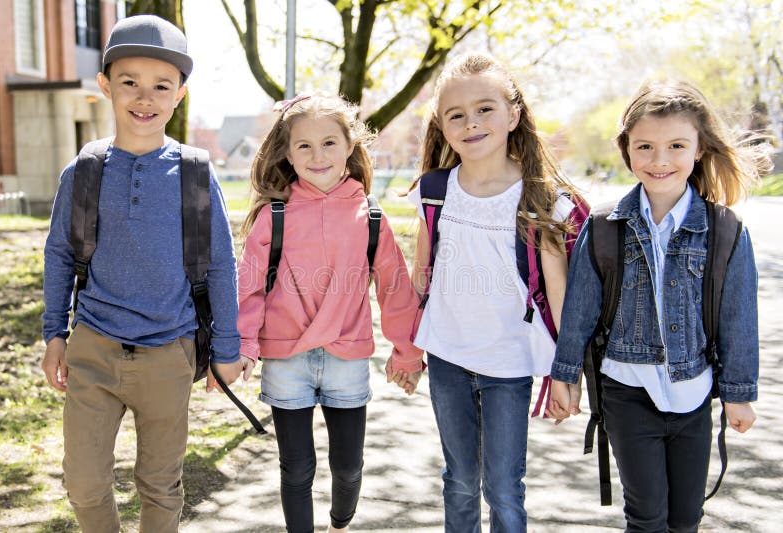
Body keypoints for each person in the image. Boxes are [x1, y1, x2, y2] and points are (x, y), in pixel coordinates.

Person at [41, 15, 247, 533]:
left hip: (169, 352)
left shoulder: (195, 173)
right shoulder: (83, 171)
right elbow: (59, 254)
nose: (145, 97)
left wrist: (226, 348)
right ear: (105, 85)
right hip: (93, 346)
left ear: (180, 95)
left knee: (160, 484)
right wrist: (54, 333)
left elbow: (221, 263)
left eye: (161, 86)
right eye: (130, 81)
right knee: (83, 483)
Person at [549, 80, 770, 532]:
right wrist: (565, 376)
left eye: (676, 146)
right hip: (626, 390)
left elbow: (739, 318)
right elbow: (580, 310)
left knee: (686, 518)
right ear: (627, 150)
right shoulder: (605, 226)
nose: (659, 159)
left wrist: (739, 392)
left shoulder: (725, 230)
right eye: (645, 146)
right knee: (647, 517)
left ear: (699, 148)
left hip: (693, 394)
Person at [404, 52, 582, 532]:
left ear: (513, 115)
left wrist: (567, 373)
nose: (471, 123)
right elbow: (421, 276)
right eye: (456, 115)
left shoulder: (540, 198)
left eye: (485, 109)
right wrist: (408, 349)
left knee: (504, 488)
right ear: (442, 127)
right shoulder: (433, 190)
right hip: (447, 356)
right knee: (460, 481)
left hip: (510, 361)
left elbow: (559, 291)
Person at [236, 92, 423, 533]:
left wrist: (408, 353)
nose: (317, 156)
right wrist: (242, 345)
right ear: (288, 153)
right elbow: (249, 287)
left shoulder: (370, 216)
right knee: (296, 468)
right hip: (286, 359)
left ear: (350, 146)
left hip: (347, 358)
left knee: (348, 467)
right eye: (304, 145)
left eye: (329, 143)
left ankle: (340, 525)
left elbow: (395, 289)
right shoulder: (274, 215)